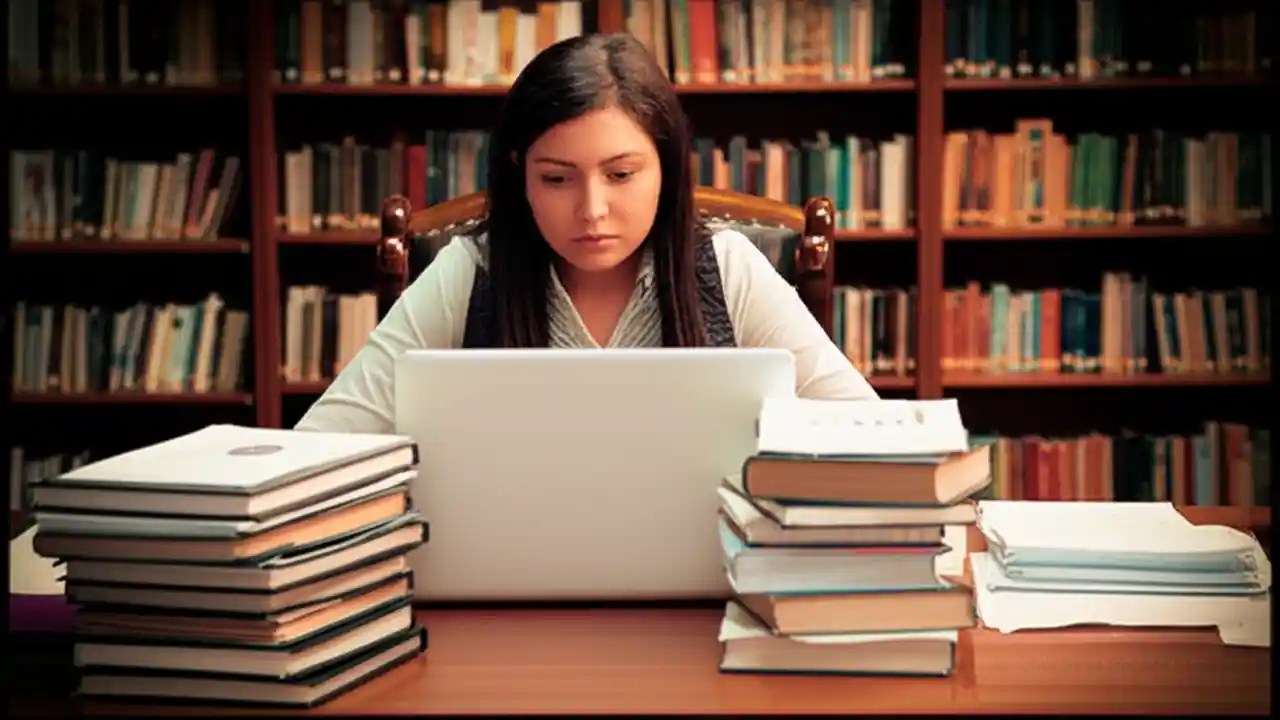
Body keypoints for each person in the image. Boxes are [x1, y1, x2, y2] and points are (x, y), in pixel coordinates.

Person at [295, 33, 878, 434]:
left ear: (667, 169)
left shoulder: (728, 269)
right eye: (556, 178)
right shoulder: (470, 273)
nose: (592, 210)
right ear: (520, 174)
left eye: (621, 174)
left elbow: (870, 435)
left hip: (707, 585)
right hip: (506, 586)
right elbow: (325, 443)